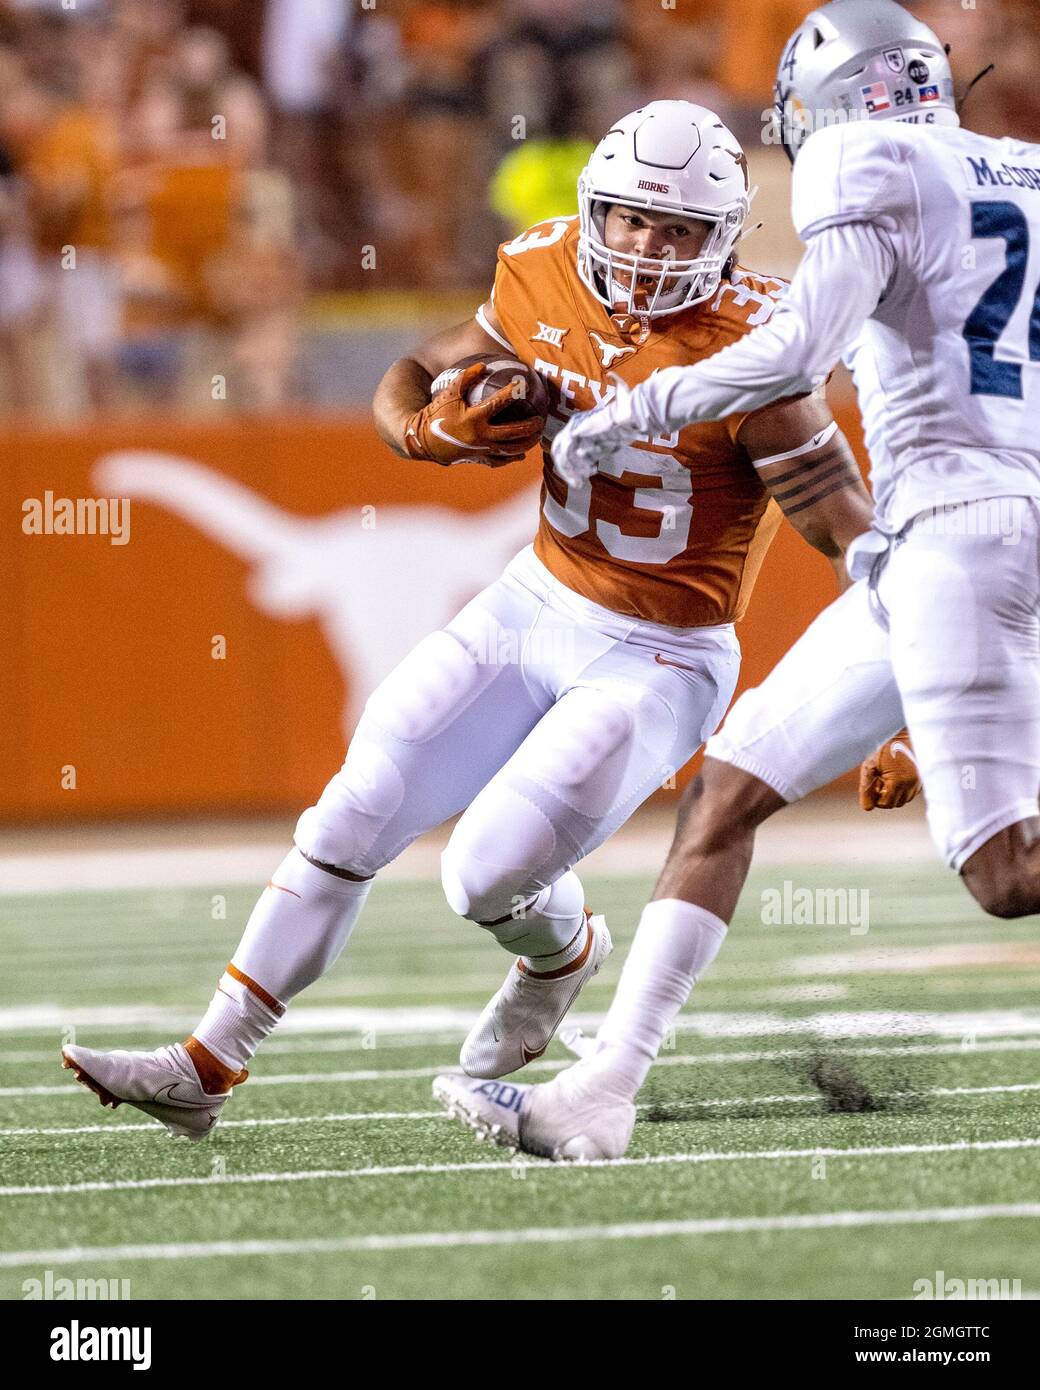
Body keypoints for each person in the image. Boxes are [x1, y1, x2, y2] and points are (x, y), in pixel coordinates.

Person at [61, 100, 873, 1140]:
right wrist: (421, 429)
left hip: (662, 654)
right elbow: (413, 370)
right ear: (592, 212)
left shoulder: (761, 348)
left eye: (675, 230)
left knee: (479, 870)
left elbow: (852, 537)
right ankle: (207, 1062)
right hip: (534, 597)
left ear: (720, 239)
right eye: (627, 219)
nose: (644, 247)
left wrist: (896, 705)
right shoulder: (540, 270)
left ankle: (560, 949)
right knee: (356, 803)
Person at [434, 0, 1040, 1162]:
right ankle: (601, 1091)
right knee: (729, 786)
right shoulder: (1018, 169)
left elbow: (792, 351)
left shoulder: (871, 159)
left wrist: (640, 406)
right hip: (940, 540)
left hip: (963, 527)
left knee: (1006, 876)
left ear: (847, 99)